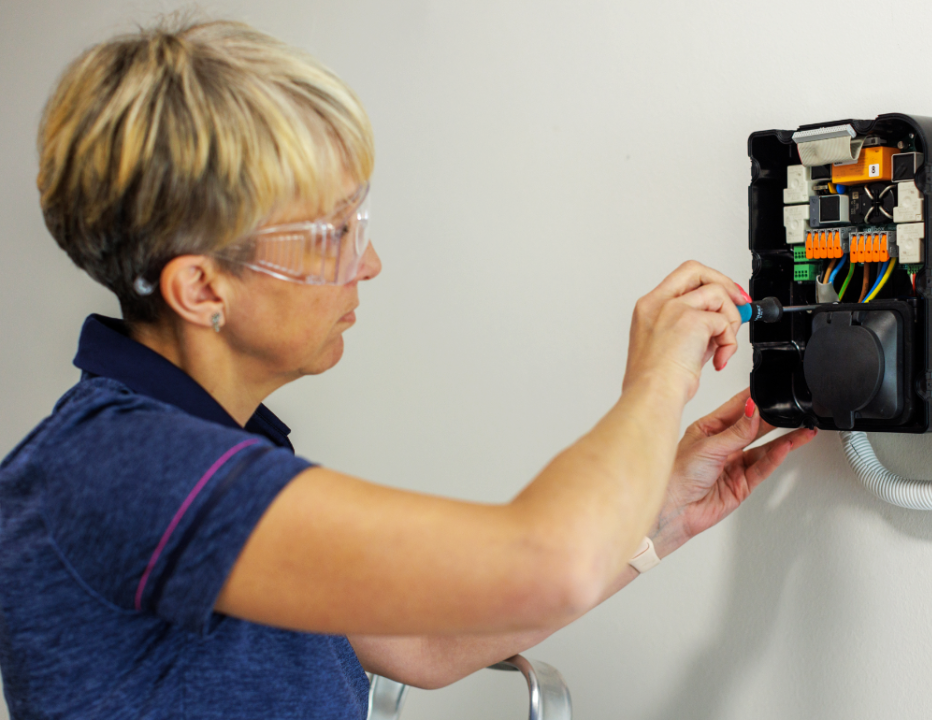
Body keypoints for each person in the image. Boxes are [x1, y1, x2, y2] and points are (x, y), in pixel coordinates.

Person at [0, 17, 817, 720]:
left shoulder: (205, 452)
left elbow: (423, 646)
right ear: (202, 287)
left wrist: (664, 514)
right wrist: (656, 383)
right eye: (331, 235)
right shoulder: (124, 469)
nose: (371, 262)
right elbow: (547, 563)